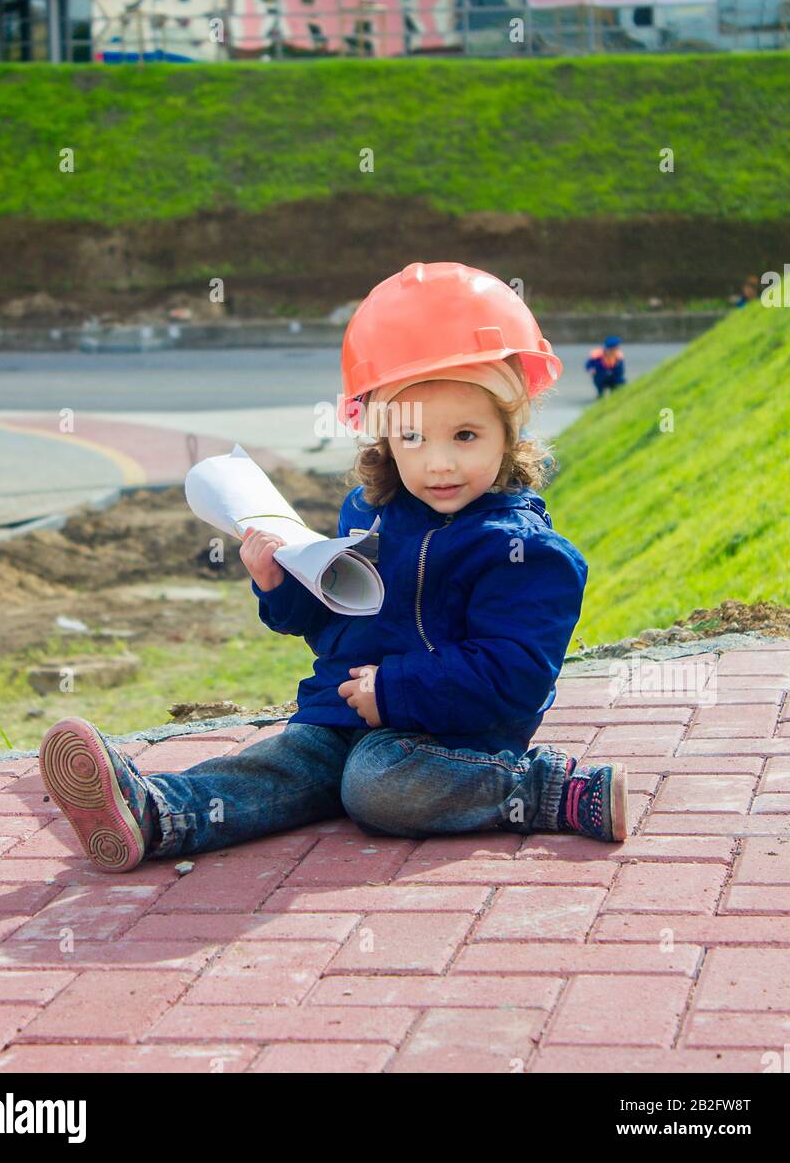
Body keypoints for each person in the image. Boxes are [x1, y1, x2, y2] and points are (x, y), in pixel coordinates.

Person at [38, 261, 629, 872]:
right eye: (413, 439)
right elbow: (339, 621)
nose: (439, 463)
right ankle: (160, 813)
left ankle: (545, 789)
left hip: (455, 737)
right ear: (384, 440)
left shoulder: (524, 553)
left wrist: (394, 691)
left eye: (466, 436)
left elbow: (515, 676)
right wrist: (281, 584)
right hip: (345, 711)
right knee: (285, 761)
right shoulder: (370, 513)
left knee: (377, 787)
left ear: (508, 435)